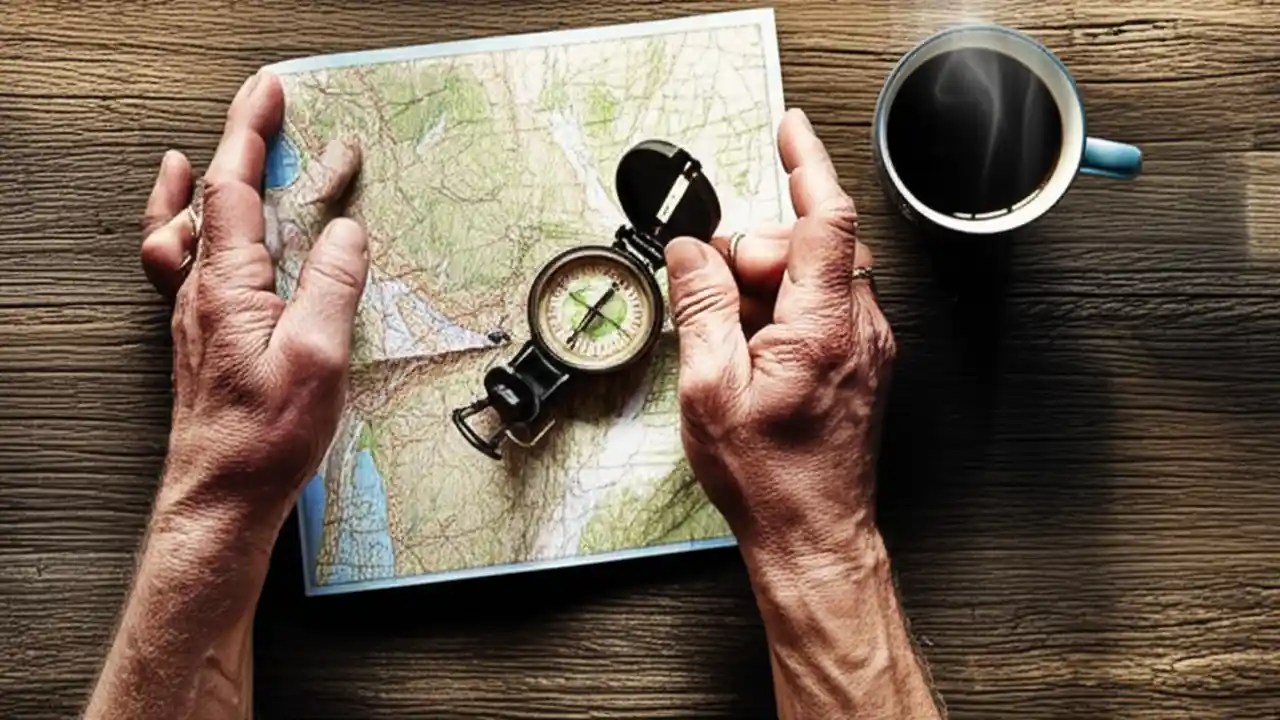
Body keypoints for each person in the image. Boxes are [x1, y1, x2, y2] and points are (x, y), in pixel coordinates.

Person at [85, 71, 942, 720]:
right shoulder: (583, 308)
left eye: (610, 303)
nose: (608, 297)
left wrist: (212, 506)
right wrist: (826, 549)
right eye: (601, 297)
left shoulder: (605, 306)